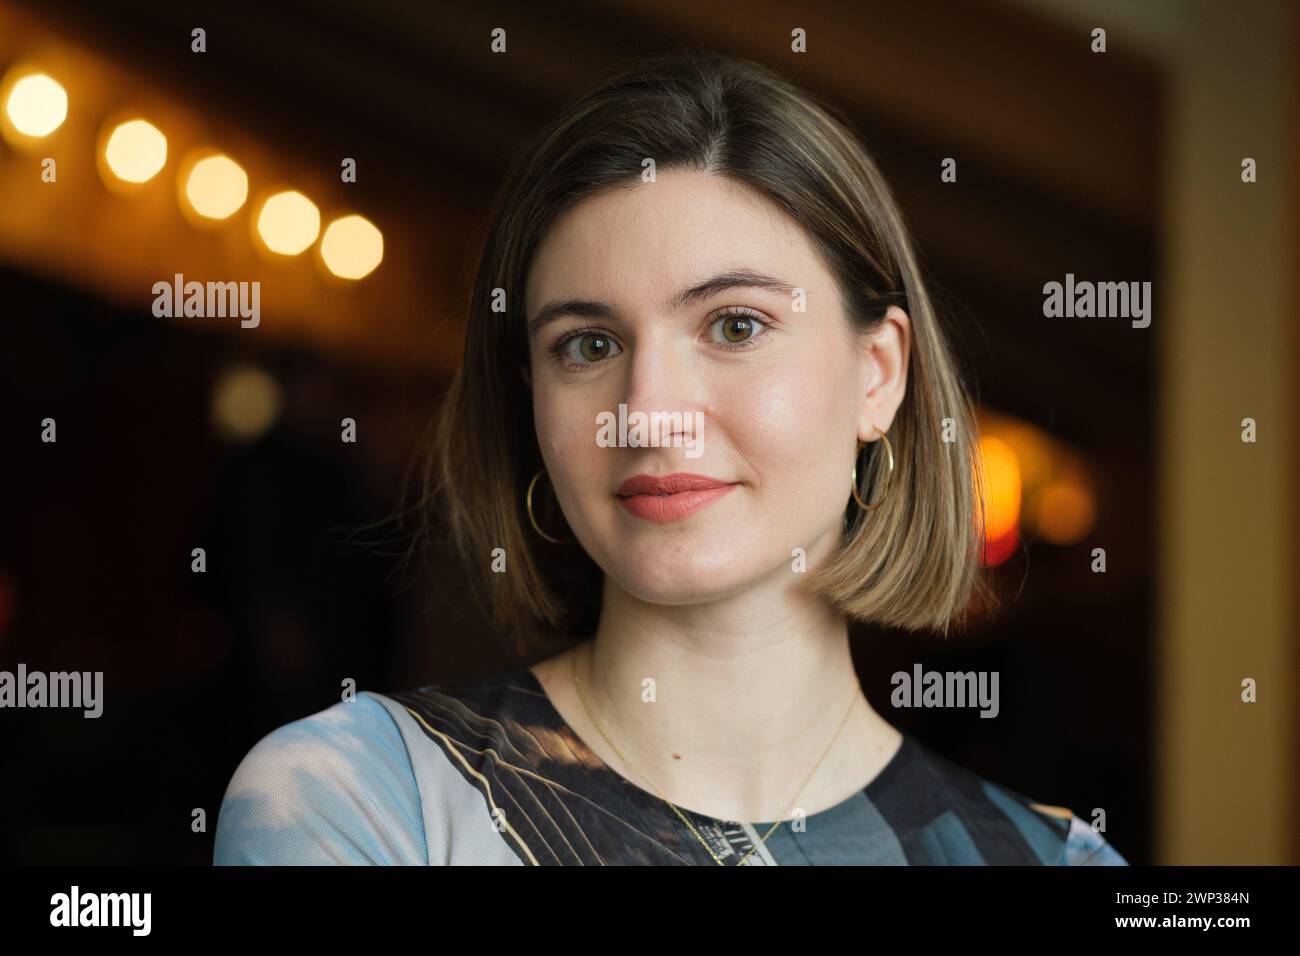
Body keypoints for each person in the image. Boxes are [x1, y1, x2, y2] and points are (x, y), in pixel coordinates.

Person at [214, 51, 1128, 866]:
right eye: (587, 345)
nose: (646, 415)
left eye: (735, 325)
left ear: (877, 375)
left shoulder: (1055, 859)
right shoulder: (356, 800)